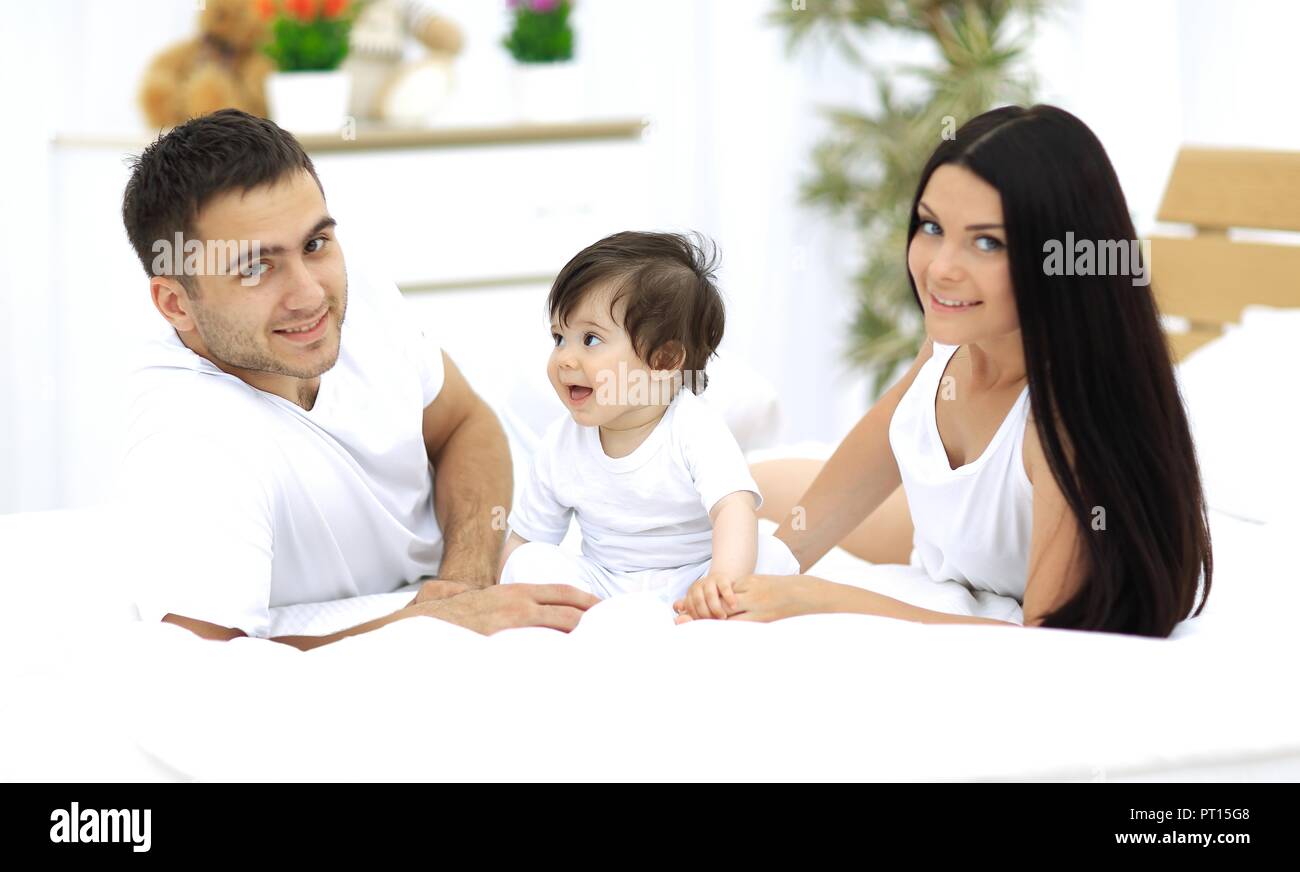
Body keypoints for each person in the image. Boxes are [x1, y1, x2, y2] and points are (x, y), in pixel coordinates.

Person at [678, 104, 1213, 637]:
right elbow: (879, 445)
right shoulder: (951, 340)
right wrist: (755, 576)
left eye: (987, 242)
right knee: (728, 491)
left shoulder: (1066, 427)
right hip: (936, 531)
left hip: (956, 537)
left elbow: (1048, 641)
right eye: (932, 226)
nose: (940, 268)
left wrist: (819, 598)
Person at [119, 109, 599, 650]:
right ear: (175, 303)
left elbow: (463, 421)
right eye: (255, 267)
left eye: (314, 244)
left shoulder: (357, 294)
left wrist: (466, 578)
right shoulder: (188, 440)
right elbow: (209, 668)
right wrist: (438, 624)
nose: (309, 294)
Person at [499, 232, 800, 614]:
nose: (564, 359)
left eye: (589, 339)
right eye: (559, 337)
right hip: (602, 585)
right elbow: (527, 540)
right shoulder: (561, 442)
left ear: (664, 360)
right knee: (529, 564)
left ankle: (710, 608)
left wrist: (719, 580)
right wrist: (503, 586)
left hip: (692, 579)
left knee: (771, 554)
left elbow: (733, 508)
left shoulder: (693, 427)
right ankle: (604, 619)